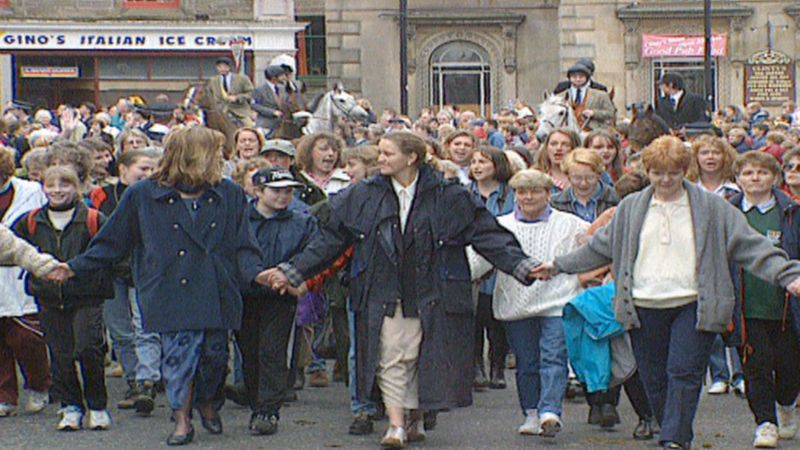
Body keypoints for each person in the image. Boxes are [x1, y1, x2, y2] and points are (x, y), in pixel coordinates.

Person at [266, 132, 540, 448]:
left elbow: (488, 235)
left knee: (420, 355)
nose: (380, 159)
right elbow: (329, 241)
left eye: (387, 153)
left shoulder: (449, 196)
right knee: (391, 356)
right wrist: (291, 271)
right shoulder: (363, 195)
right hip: (382, 287)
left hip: (433, 290)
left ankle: (415, 415)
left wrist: (523, 266)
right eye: (379, 152)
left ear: (411, 157)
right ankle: (396, 424)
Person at [532, 135, 800, 450]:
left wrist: (788, 275)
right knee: (654, 380)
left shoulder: (712, 207)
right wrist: (558, 265)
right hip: (643, 305)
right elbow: (599, 247)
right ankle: (672, 430)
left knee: (683, 373)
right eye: (658, 173)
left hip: (694, 304)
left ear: (684, 170)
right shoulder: (632, 207)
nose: (666, 179)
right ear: (648, 171)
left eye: (673, 172)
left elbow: (750, 244)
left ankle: (674, 439)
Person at [61, 126, 272, 445]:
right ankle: (182, 420)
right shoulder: (143, 194)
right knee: (178, 358)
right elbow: (112, 242)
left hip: (216, 288)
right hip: (169, 288)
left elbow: (245, 243)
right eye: (214, 153)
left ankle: (208, 402)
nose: (220, 158)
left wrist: (258, 274)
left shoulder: (228, 192)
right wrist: (73, 268)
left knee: (214, 359)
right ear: (193, 156)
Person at [469, 169, 588, 438]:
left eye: (535, 191)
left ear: (549, 194)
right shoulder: (501, 225)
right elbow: (479, 261)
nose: (528, 196)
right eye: (522, 192)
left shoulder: (571, 224)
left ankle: (550, 411)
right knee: (527, 361)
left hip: (558, 300)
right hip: (516, 304)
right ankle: (531, 413)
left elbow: (588, 250)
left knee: (554, 356)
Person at [13, 166, 113, 431]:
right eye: (51, 185)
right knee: (60, 354)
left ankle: (97, 405)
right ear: (42, 187)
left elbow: (107, 252)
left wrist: (76, 269)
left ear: (78, 187)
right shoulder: (31, 220)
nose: (57, 190)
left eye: (64, 184)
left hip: (86, 294)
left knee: (88, 348)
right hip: (47, 296)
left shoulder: (93, 218)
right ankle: (70, 406)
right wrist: (38, 270)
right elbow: (14, 248)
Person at [729, 151, 800, 448]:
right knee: (755, 367)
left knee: (789, 368)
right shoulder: (729, 213)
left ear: (774, 177)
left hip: (786, 306)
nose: (755, 178)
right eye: (747, 173)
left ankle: (786, 405)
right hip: (747, 307)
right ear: (737, 179)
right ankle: (765, 423)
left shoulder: (791, 212)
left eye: (761, 172)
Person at [240, 167, 314, 436]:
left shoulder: (301, 221)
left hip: (281, 296)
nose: (284, 196)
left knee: (272, 351)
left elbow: (311, 253)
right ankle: (255, 402)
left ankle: (267, 410)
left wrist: (292, 276)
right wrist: (256, 275)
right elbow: (233, 253)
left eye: (288, 190)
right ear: (258, 191)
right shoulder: (240, 219)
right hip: (245, 294)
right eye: (276, 190)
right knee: (249, 351)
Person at [0, 147, 72, 418]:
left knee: (26, 337)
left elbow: (23, 245)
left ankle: (39, 384)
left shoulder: (31, 191)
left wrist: (49, 265)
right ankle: (5, 395)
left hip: (23, 276)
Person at [89, 149, 161, 415]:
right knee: (119, 330)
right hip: (112, 269)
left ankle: (147, 381)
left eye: (153, 169)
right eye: (143, 168)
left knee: (146, 327)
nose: (148, 174)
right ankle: (133, 379)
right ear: (123, 169)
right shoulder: (102, 195)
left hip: (144, 269)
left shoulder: (159, 195)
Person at [685, 135, 744, 396]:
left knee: (735, 311)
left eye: (715, 153)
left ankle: (740, 373)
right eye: (704, 152)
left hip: (731, 256)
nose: (710, 158)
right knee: (708, 312)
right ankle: (718, 373)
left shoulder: (735, 191)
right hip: (699, 256)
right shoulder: (688, 190)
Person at [469, 146, 516, 390]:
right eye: (474, 162)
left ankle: (497, 365)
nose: (477, 166)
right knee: (475, 317)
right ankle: (475, 366)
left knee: (497, 318)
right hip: (473, 261)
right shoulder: (465, 193)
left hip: (500, 262)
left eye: (483, 162)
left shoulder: (510, 194)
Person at [550, 148, 619, 223]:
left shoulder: (616, 199)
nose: (584, 183)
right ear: (568, 176)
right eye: (577, 178)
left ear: (599, 175)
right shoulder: (556, 203)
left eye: (590, 177)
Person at [563, 63, 615, 132]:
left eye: (581, 77)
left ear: (587, 78)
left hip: (594, 132)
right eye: (574, 77)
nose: (578, 79)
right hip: (569, 133)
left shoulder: (601, 95)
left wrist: (594, 113)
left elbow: (611, 113)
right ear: (569, 78)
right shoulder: (561, 96)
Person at [207, 56, 255, 128]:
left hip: (240, 111)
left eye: (225, 66)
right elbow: (209, 95)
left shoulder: (242, 79)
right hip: (220, 112)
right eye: (220, 67)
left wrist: (237, 98)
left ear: (229, 67)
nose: (222, 69)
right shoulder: (213, 81)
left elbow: (252, 93)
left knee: (249, 126)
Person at [533, 127, 581, 193]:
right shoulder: (535, 176)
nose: (558, 148)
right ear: (546, 148)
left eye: (565, 144)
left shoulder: (583, 177)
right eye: (553, 144)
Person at [252, 65, 287, 135]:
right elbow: (255, 105)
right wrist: (272, 112)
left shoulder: (283, 89)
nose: (284, 77)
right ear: (274, 77)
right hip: (266, 123)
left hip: (283, 123)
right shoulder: (260, 90)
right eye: (281, 75)